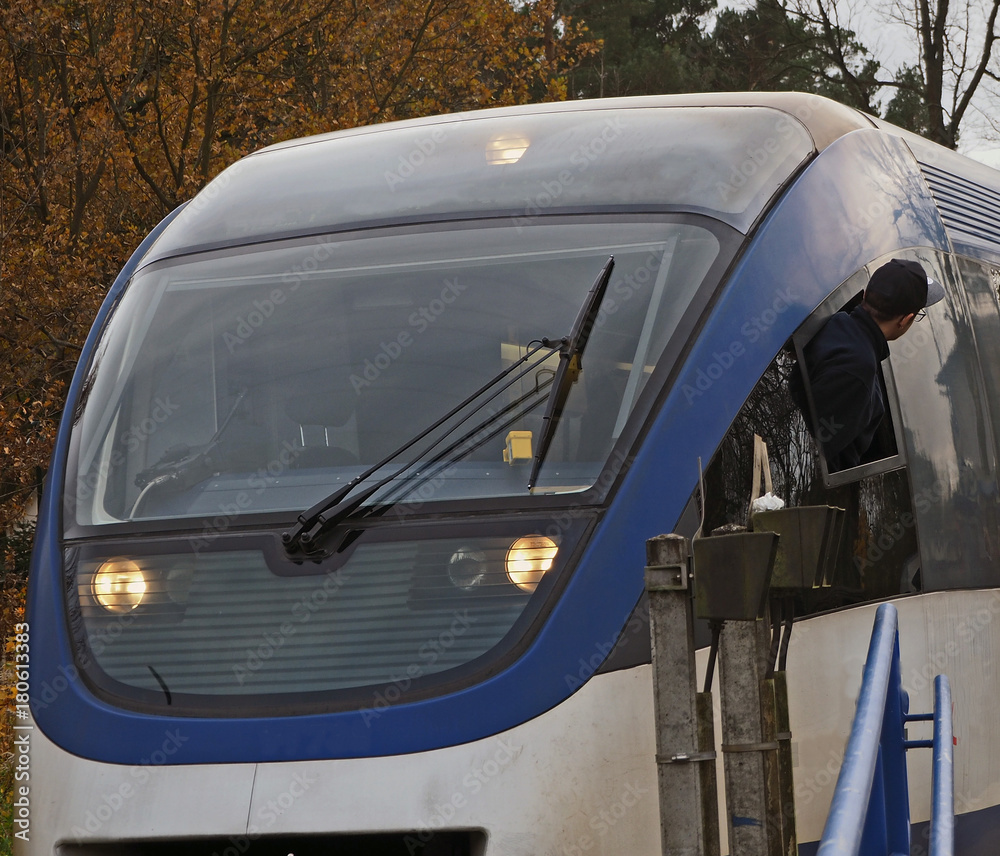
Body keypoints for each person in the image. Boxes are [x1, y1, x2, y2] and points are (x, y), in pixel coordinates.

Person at [795, 258, 945, 472]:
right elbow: (820, 461)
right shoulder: (858, 370)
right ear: (905, 320)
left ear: (864, 295)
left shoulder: (834, 325)